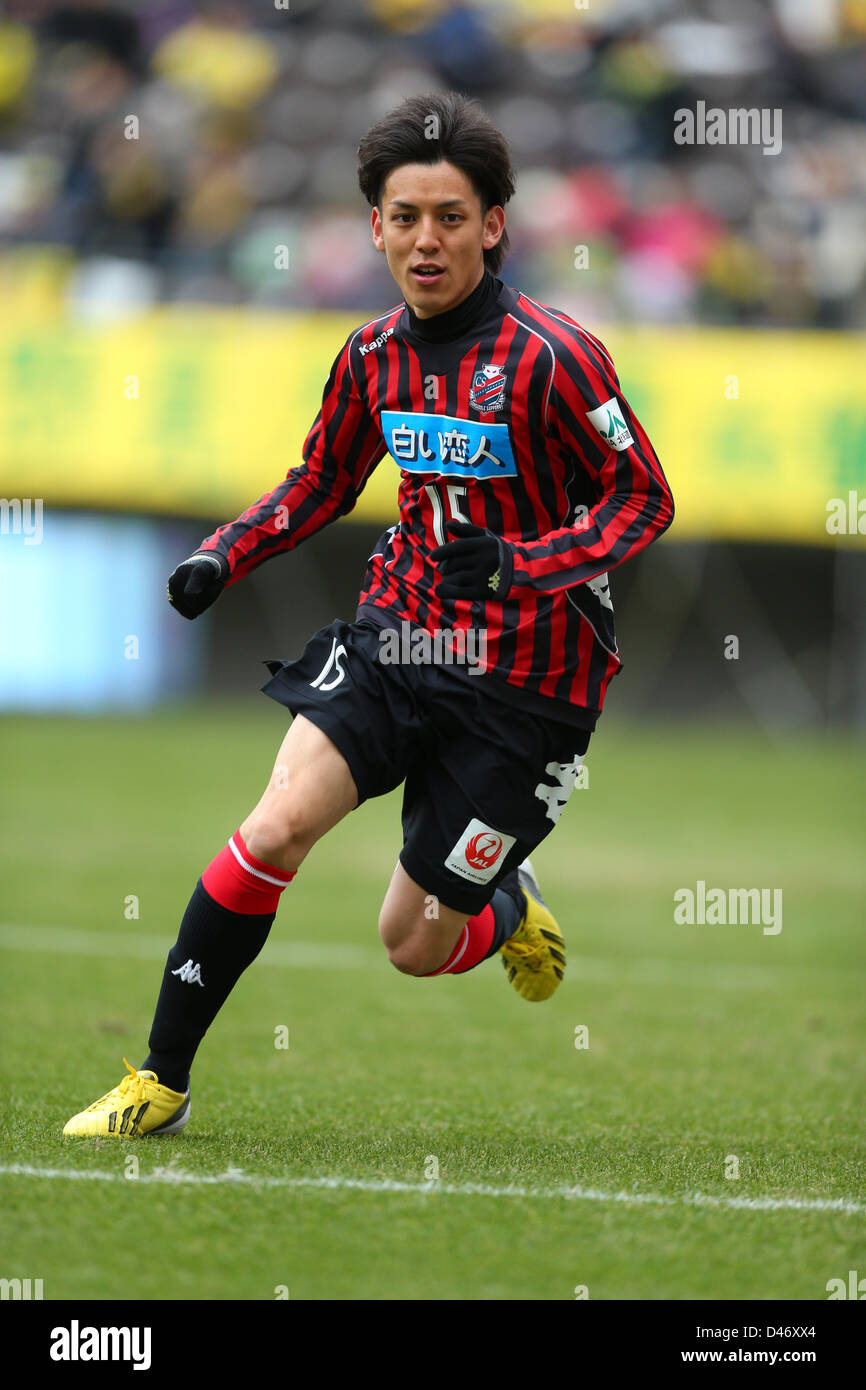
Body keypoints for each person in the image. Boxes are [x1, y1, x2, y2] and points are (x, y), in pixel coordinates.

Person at [63, 91, 674, 1138]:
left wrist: (520, 563)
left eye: (448, 216)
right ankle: (160, 1080)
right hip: (398, 636)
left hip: (527, 682)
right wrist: (224, 552)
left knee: (412, 941)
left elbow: (642, 498)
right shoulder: (370, 356)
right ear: (375, 227)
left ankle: (507, 906)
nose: (423, 240)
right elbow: (319, 482)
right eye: (403, 217)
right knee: (273, 826)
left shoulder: (554, 357)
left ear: (493, 225)